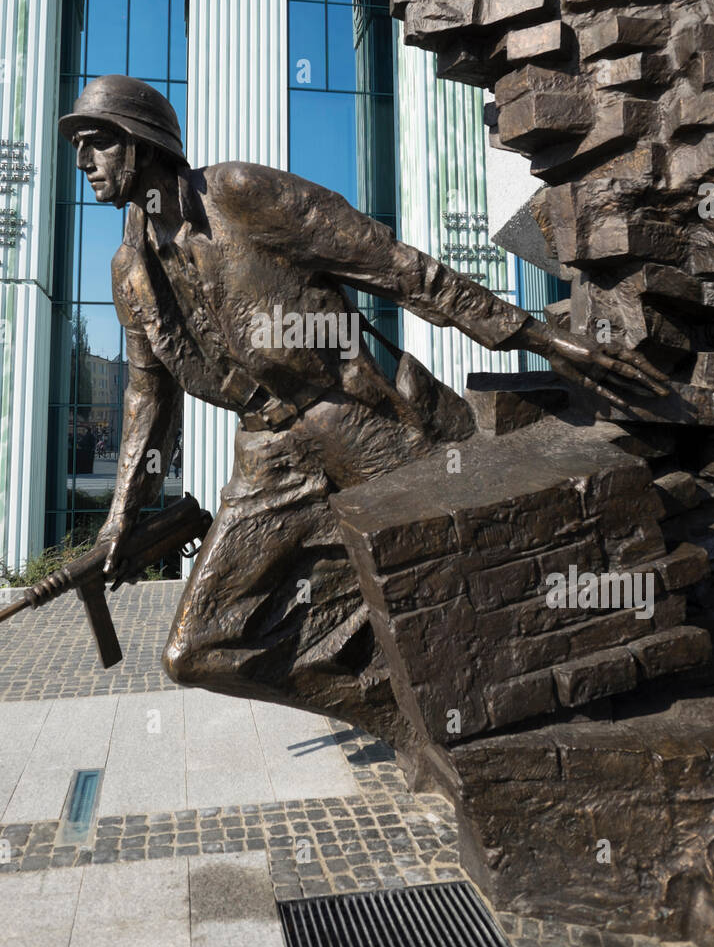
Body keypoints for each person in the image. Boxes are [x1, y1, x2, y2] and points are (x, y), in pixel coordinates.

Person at [60, 75, 667, 751]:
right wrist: (120, 520)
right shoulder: (128, 272)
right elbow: (148, 399)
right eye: (82, 148)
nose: (84, 162)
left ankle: (544, 689)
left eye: (96, 144)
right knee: (196, 650)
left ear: (142, 146)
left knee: (470, 564)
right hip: (266, 456)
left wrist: (532, 334)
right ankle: (394, 710)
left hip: (361, 424)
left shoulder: (237, 194)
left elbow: (393, 266)